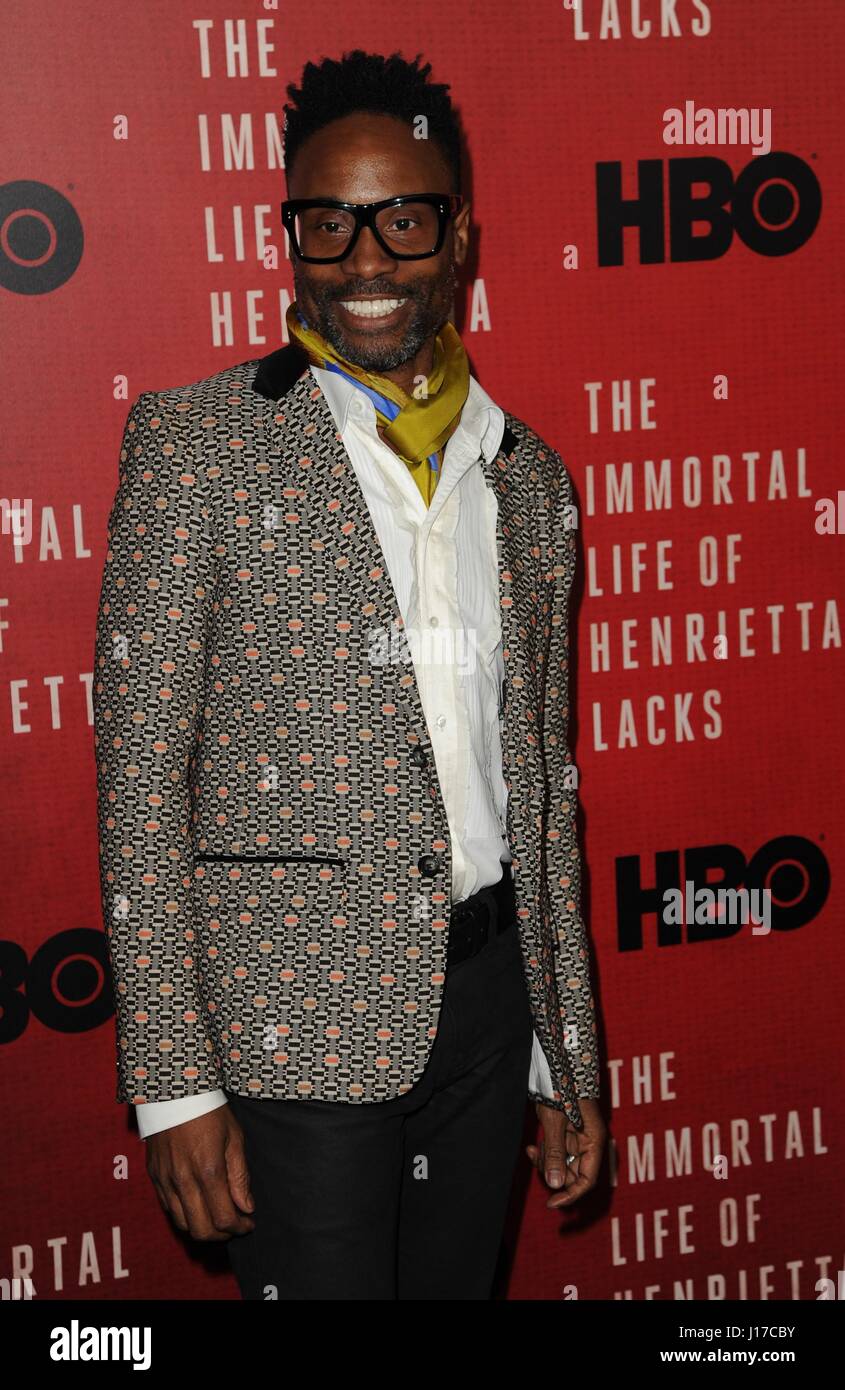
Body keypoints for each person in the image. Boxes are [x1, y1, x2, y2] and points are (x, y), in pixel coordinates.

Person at [93, 48, 606, 1300]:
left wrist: (562, 1054)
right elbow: (140, 781)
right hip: (289, 1032)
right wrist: (174, 1082)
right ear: (290, 235)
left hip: (488, 1015)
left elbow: (536, 786)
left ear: (460, 233)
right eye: (326, 222)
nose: (364, 260)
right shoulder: (198, 445)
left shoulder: (527, 478)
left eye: (402, 219)